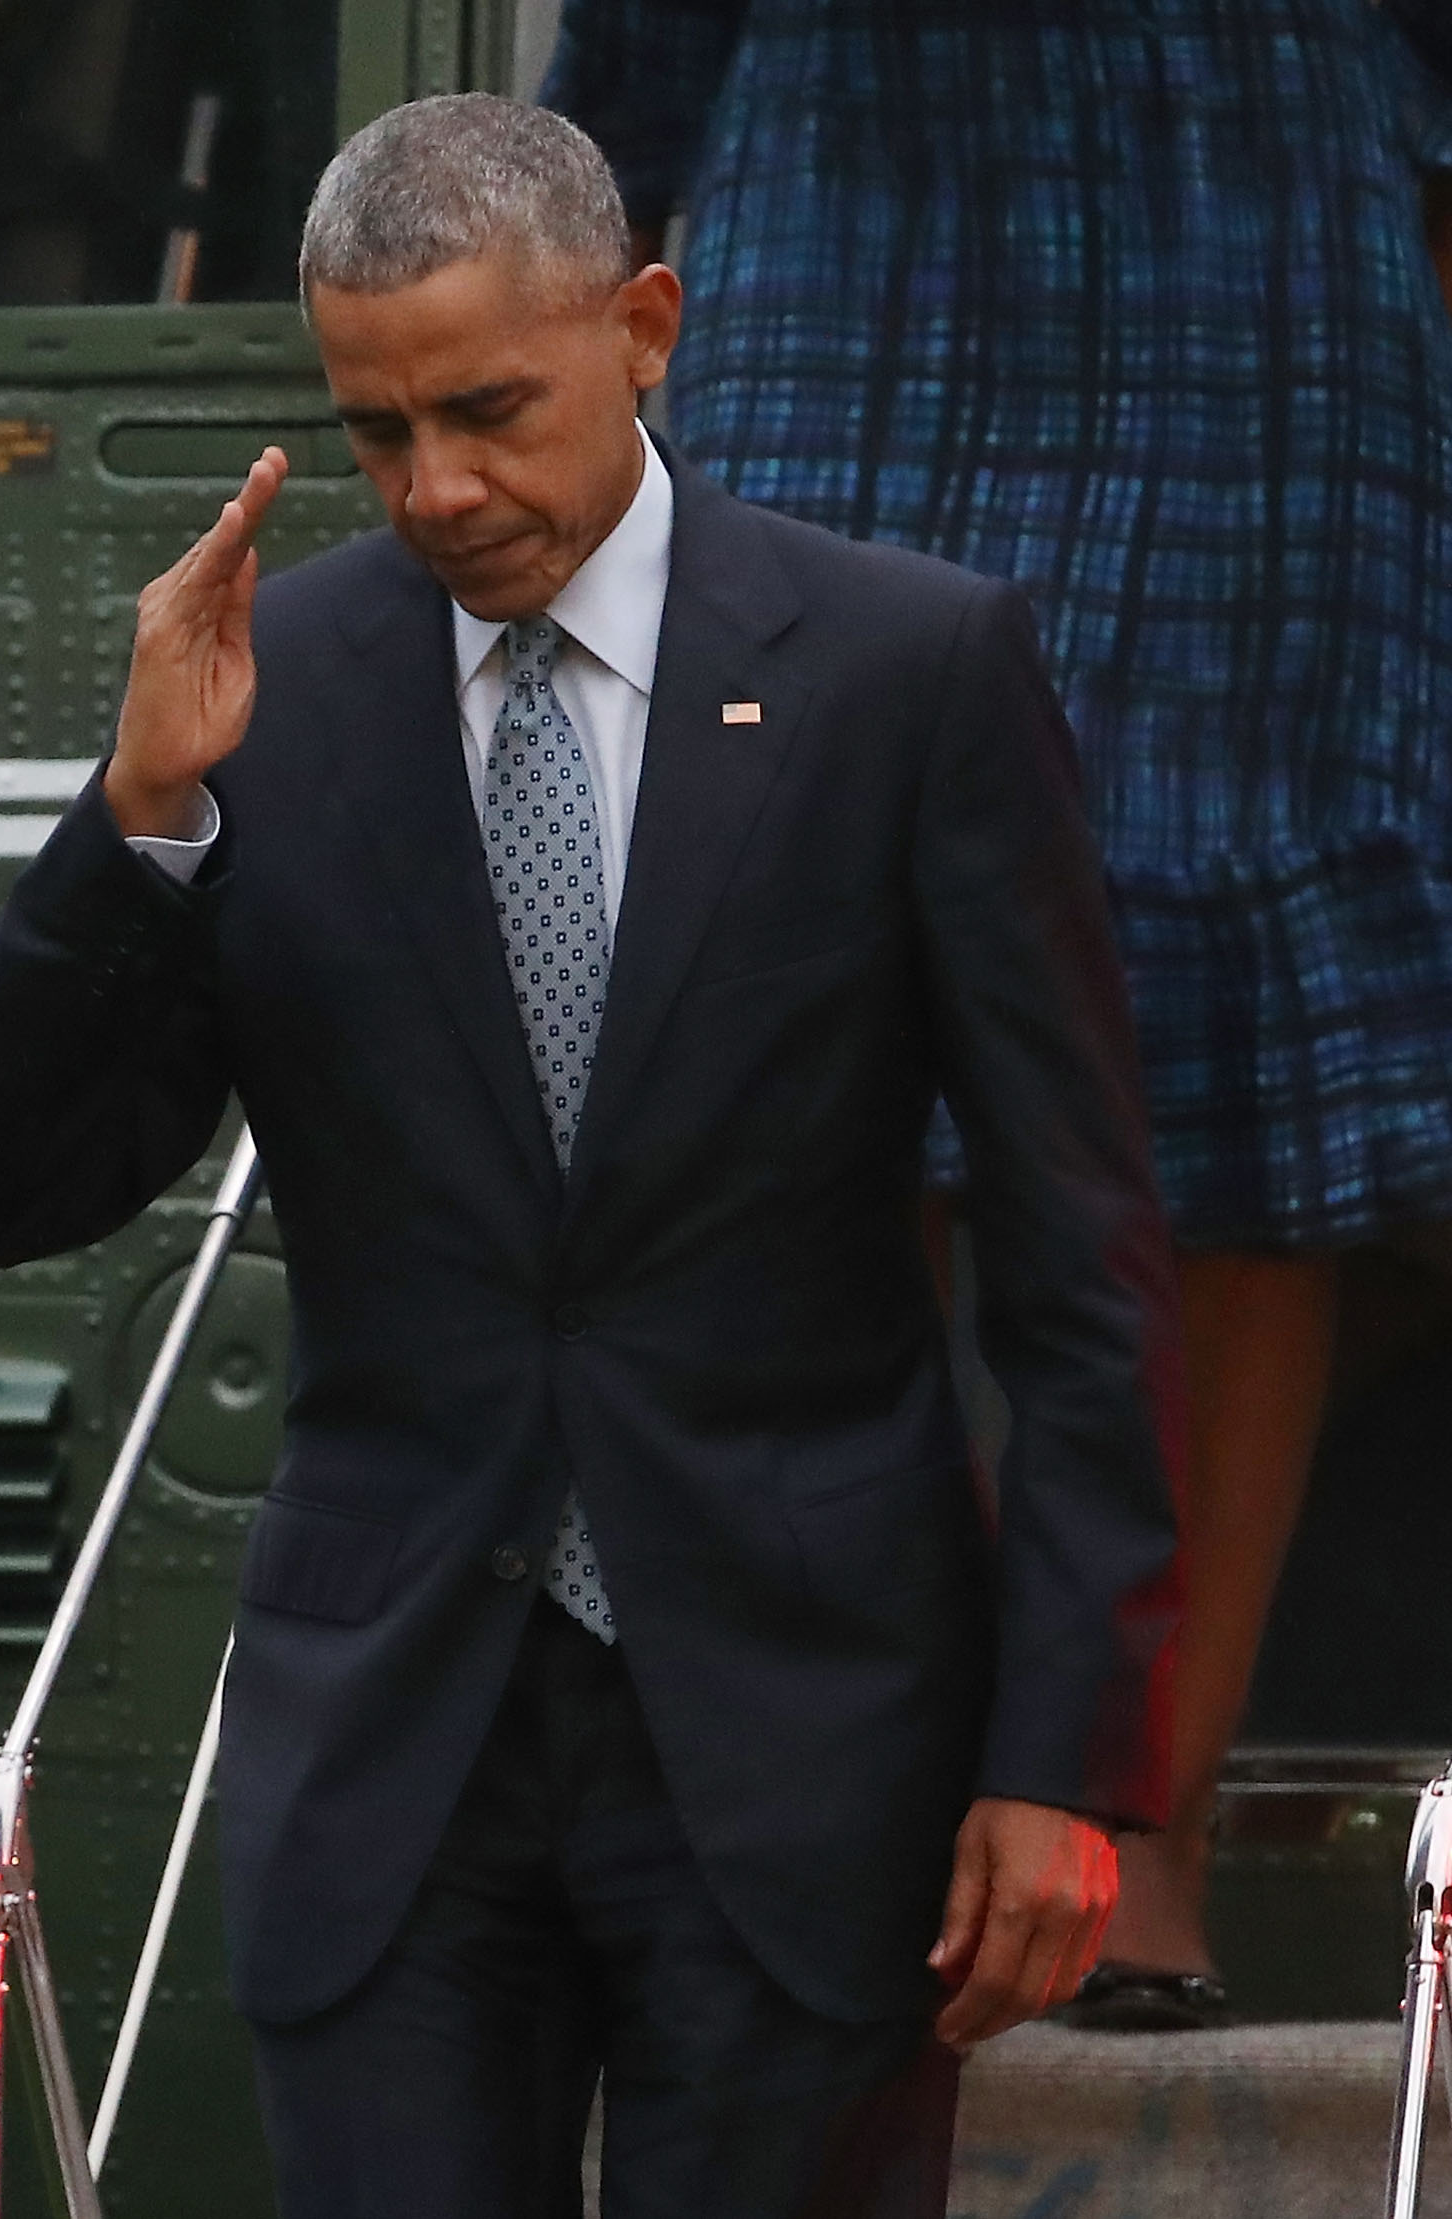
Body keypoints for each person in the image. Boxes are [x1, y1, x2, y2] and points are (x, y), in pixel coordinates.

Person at [0, 96, 1182, 2217]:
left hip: (806, 1745)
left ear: (646, 329)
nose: (438, 488)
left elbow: (1085, 1264)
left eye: (489, 411)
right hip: (396, 1765)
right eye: (377, 432)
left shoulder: (905, 672)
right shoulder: (266, 692)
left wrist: (1064, 1764)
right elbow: (7, 1185)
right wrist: (138, 825)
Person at [542, 0, 1452, 2029]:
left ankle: (1135, 1830)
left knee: (1218, 1062)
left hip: (1270, 218)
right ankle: (875, 1793)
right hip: (840, 193)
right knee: (793, 1028)